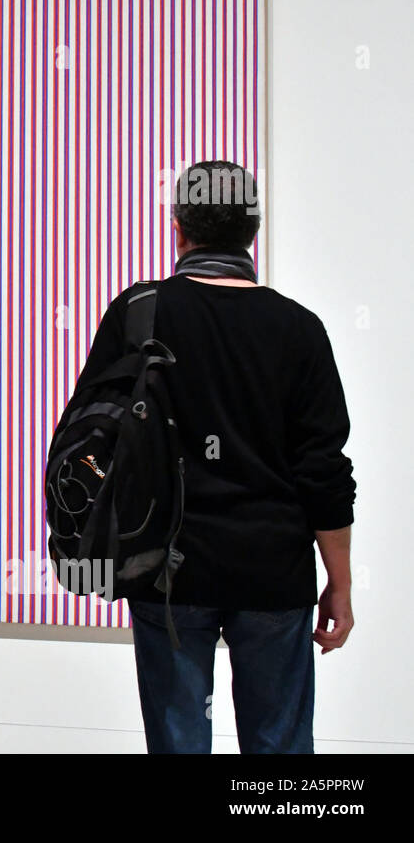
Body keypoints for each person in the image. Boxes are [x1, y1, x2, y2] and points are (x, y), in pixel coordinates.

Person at [74, 160, 356, 753]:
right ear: (254, 230)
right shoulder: (299, 329)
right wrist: (340, 582)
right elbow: (325, 471)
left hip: (164, 565)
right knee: (278, 748)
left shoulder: (139, 313)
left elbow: (91, 436)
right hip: (273, 569)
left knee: (178, 741)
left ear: (178, 227)